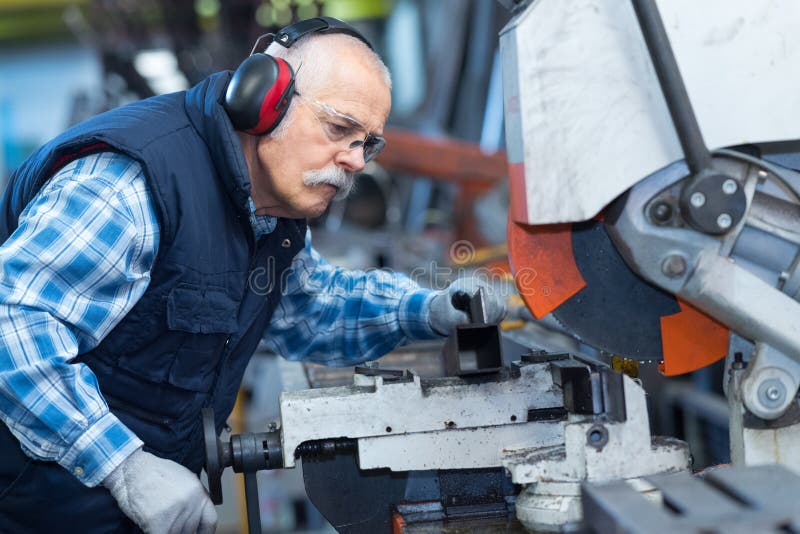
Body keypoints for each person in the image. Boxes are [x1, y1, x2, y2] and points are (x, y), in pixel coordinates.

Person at [0, 16, 506, 534]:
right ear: (264, 100)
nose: (355, 161)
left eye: (367, 144)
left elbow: (313, 308)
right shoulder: (132, 185)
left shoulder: (271, 214)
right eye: (339, 129)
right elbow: (12, 325)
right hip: (38, 507)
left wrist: (429, 310)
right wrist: (125, 467)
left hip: (145, 506)